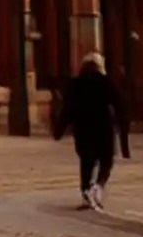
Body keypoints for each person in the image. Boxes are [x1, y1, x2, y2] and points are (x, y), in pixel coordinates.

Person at [54, 52, 130, 211]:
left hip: (82, 129)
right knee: (106, 161)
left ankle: (85, 193)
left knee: (86, 162)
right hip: (103, 127)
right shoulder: (105, 81)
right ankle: (98, 185)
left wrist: (58, 130)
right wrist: (122, 125)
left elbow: (66, 109)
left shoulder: (75, 84)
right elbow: (119, 104)